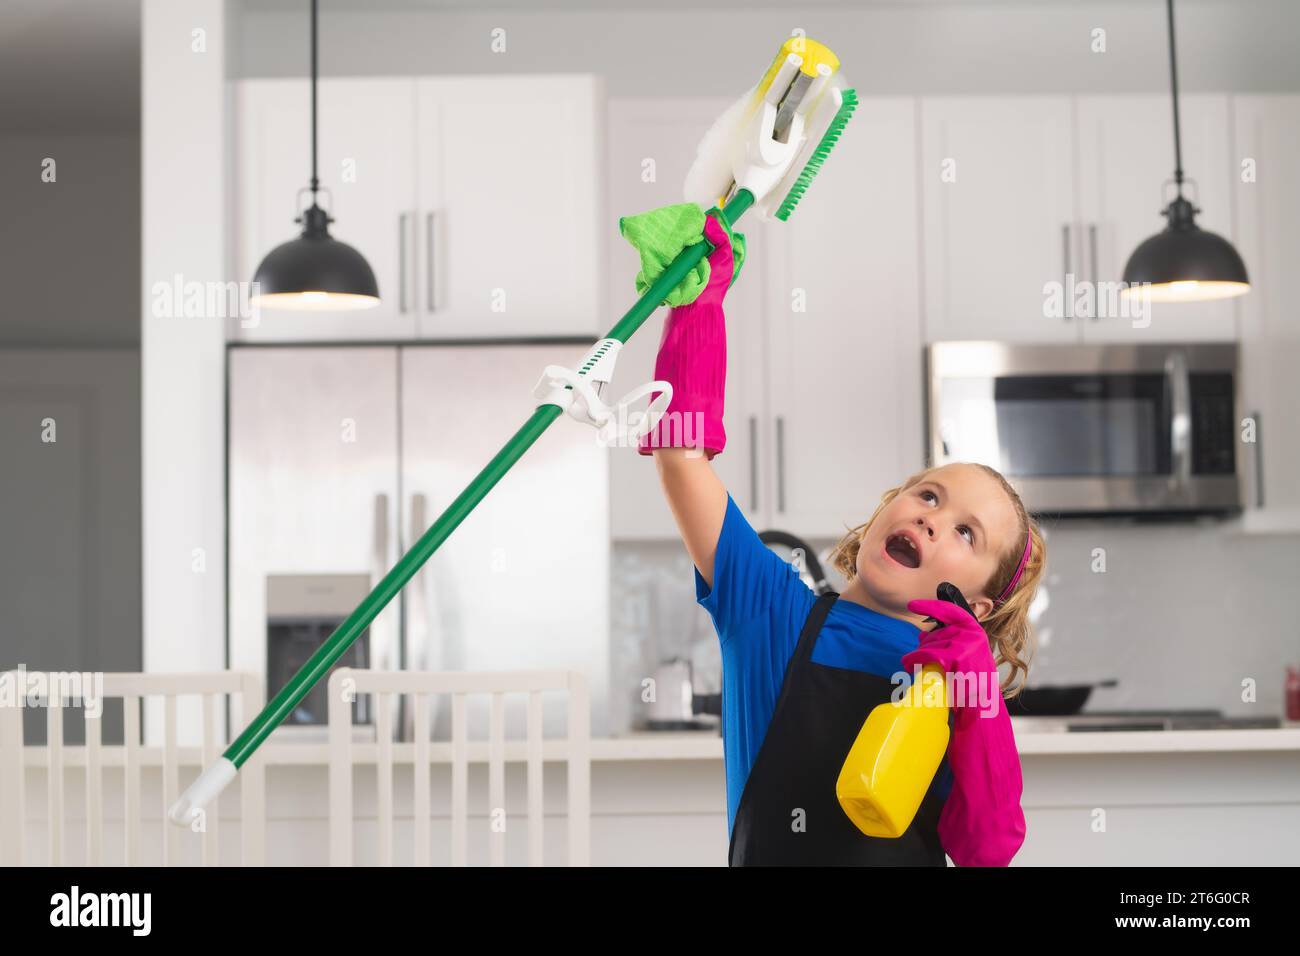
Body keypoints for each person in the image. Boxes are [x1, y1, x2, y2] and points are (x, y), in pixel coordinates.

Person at [635, 208, 1043, 866]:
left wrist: (978, 701)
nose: (933, 518)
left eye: (966, 533)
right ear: (892, 505)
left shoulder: (956, 693)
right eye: (928, 495)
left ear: (980, 605)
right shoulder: (771, 612)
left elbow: (986, 850)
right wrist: (700, 307)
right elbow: (681, 456)